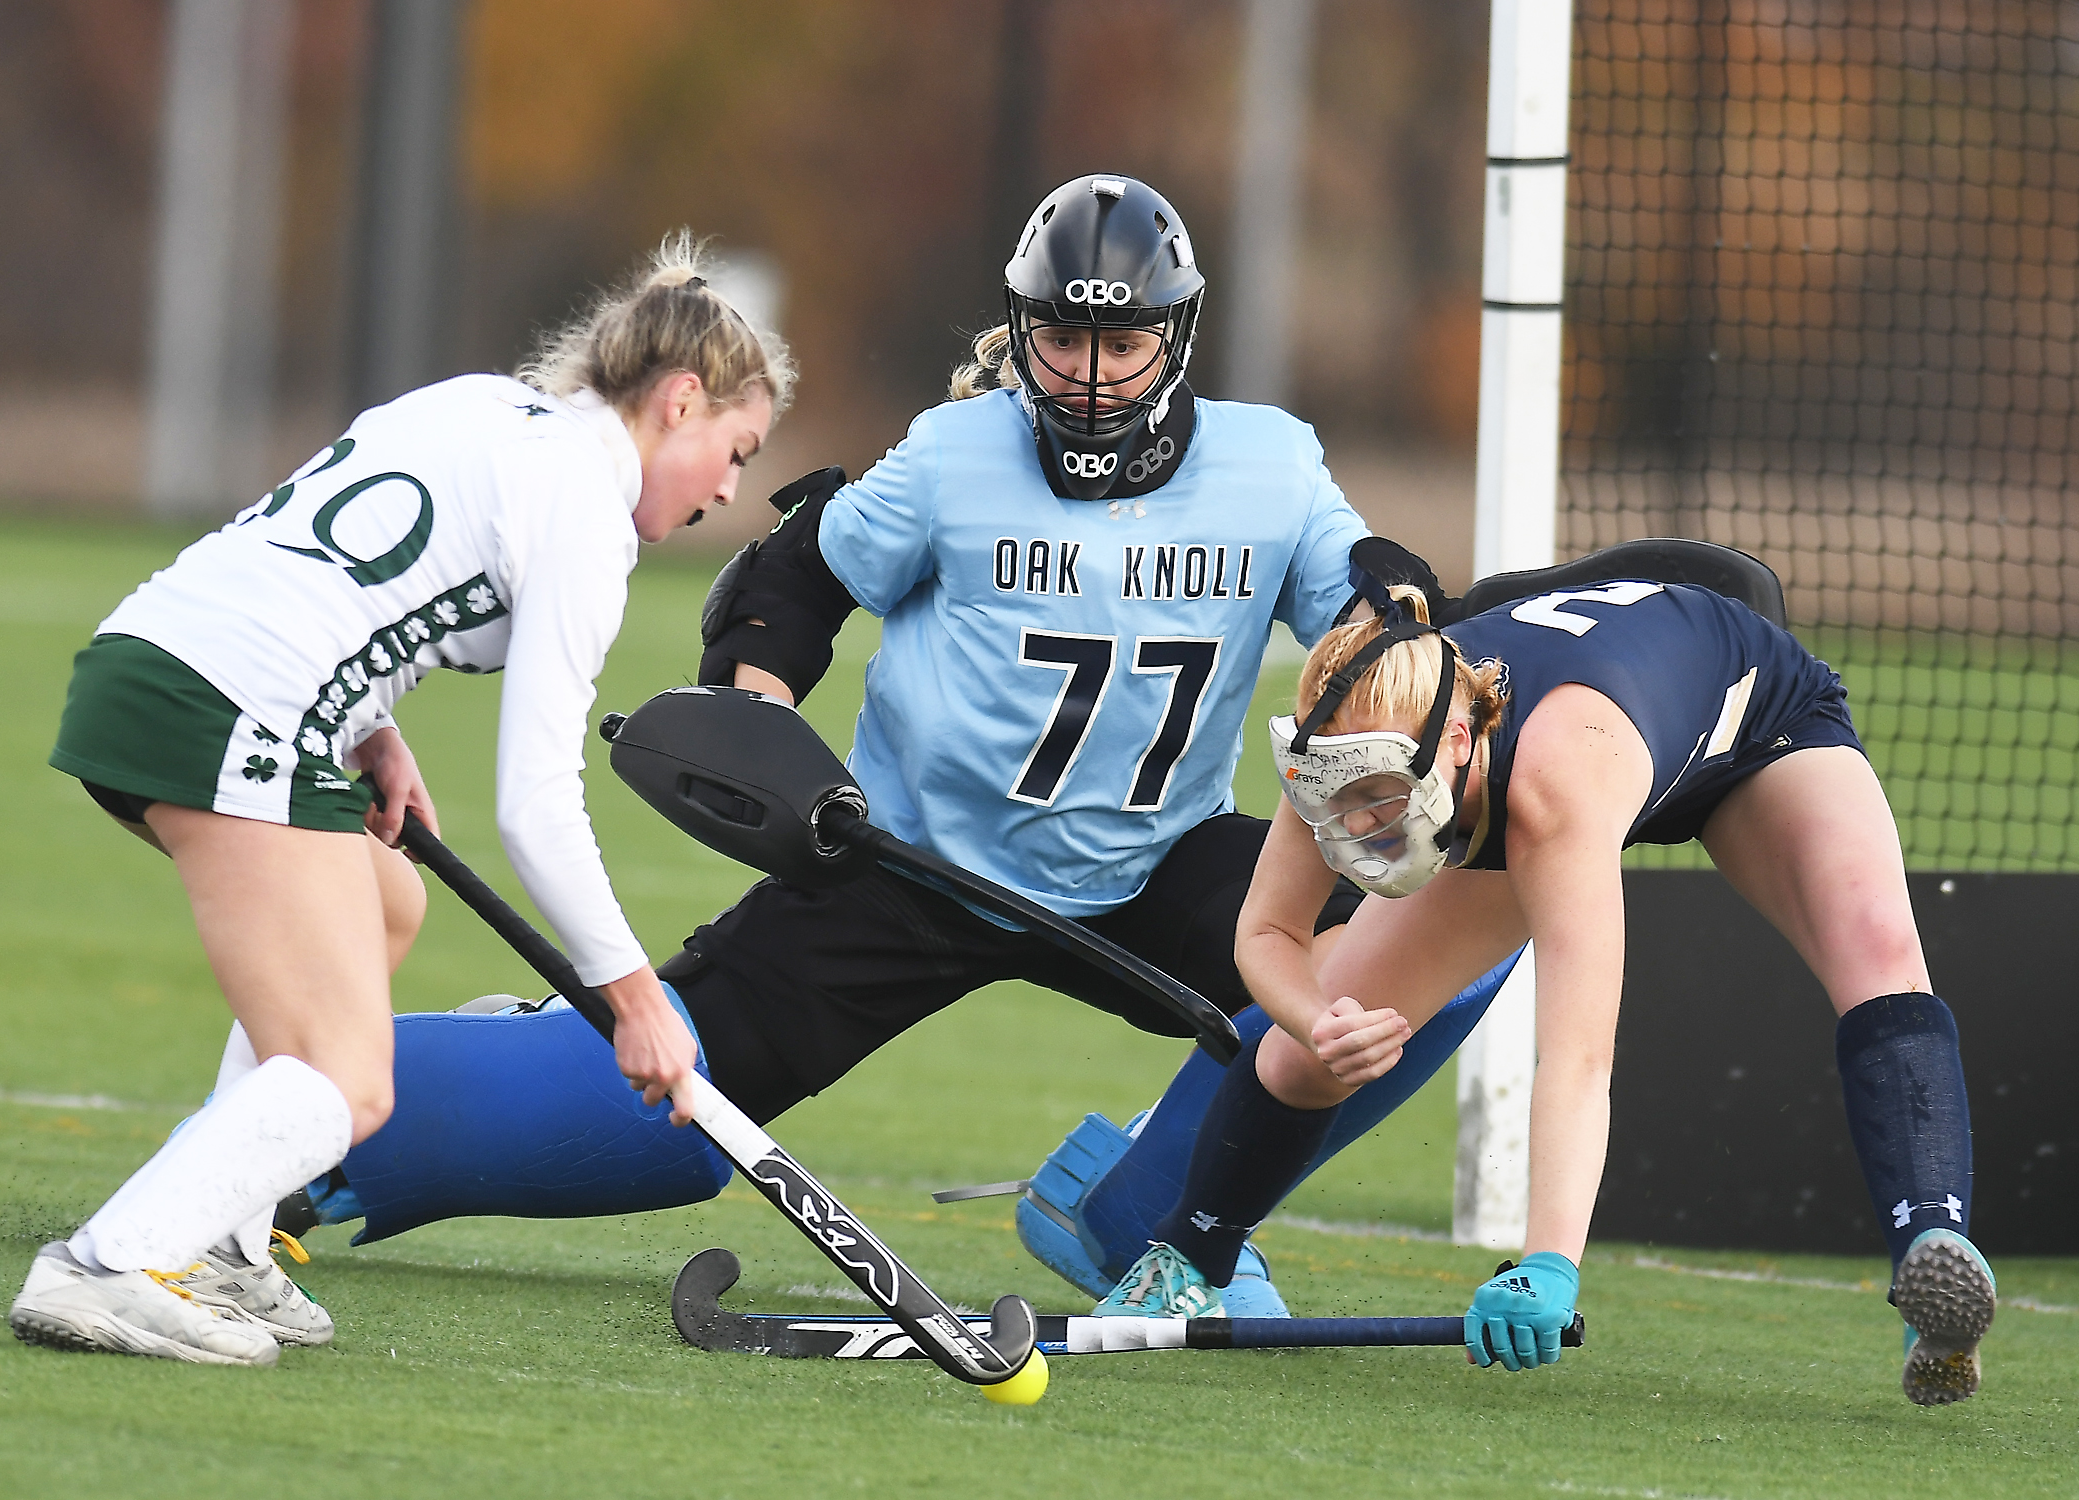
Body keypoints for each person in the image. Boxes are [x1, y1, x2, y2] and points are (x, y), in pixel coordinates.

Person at [298, 172, 1521, 1316]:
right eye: (1063, 339)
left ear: (1179, 338)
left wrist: (1407, 638)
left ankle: (1155, 1216)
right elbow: (791, 578)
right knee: (653, 1134)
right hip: (902, 867)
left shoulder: (1272, 466)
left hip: (1161, 867)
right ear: (1020, 330)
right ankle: (317, 1125)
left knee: (1445, 938)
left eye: (1122, 342)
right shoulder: (956, 454)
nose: (1091, 376)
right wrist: (760, 713)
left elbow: (1371, 625)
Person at [10, 239, 790, 1367]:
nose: (728, 486)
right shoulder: (585, 512)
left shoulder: (487, 408)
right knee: (346, 1080)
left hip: (155, 663)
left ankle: (225, 1243)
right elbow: (534, 801)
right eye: (735, 450)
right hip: (230, 707)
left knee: (385, 900)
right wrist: (637, 1000)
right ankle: (112, 1264)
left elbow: (327, 564)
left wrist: (370, 726)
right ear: (680, 402)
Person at [1096, 579, 1996, 1407]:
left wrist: (1548, 1264)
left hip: (1750, 724)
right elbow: (1267, 935)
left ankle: (1932, 1247)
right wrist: (1313, 1016)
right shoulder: (1343, 744)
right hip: (1547, 756)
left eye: (1377, 797)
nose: (1357, 825)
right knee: (1299, 1062)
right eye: (1336, 797)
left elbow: (1576, 1054)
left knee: (1879, 952)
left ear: (1454, 742)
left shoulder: (1552, 789)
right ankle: (1188, 1256)